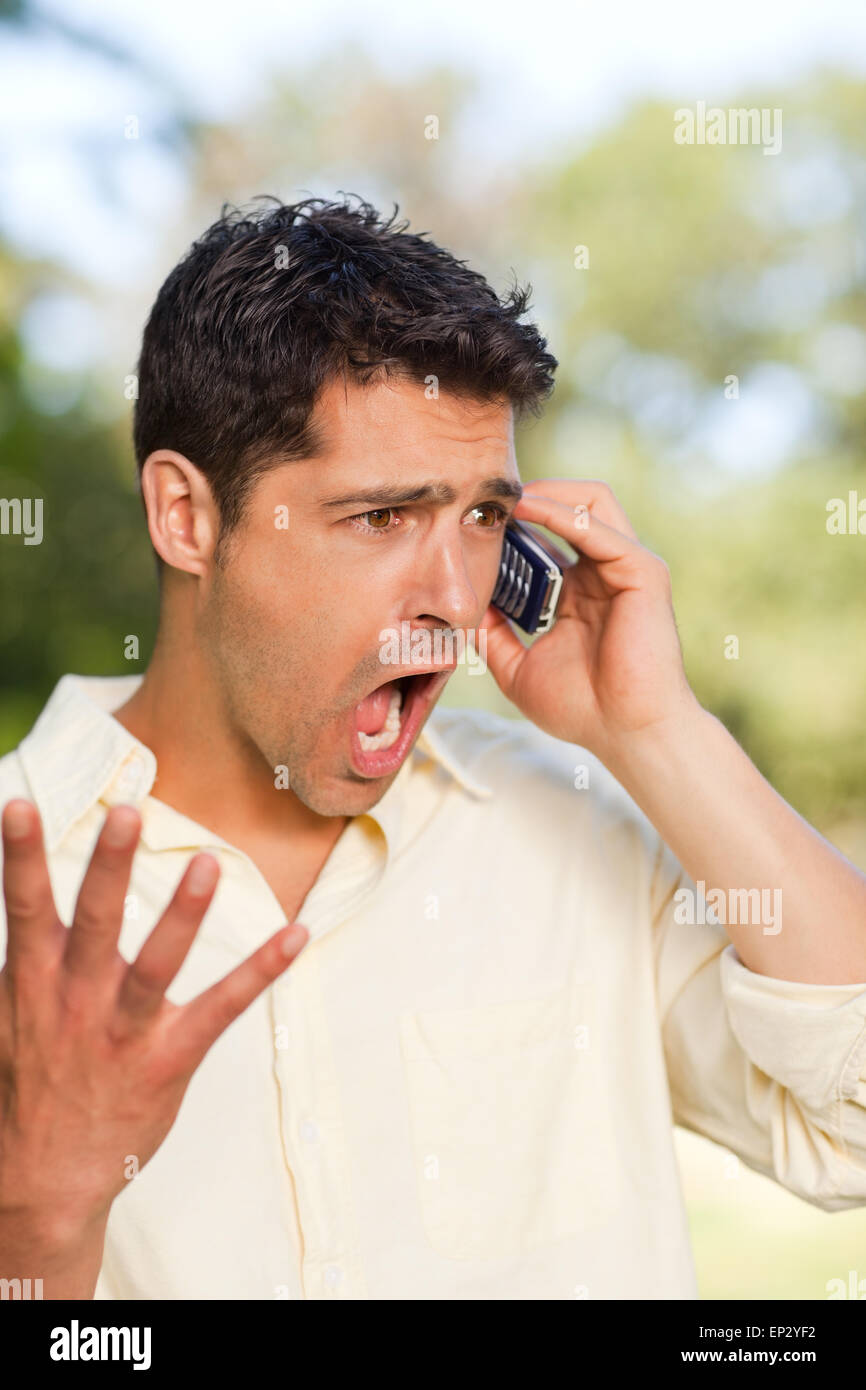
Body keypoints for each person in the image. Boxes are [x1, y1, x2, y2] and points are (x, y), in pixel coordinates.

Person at [1, 196, 865, 1301]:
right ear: (186, 517)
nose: (455, 601)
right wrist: (35, 1214)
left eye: (481, 517)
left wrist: (655, 730)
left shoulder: (573, 818)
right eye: (381, 518)